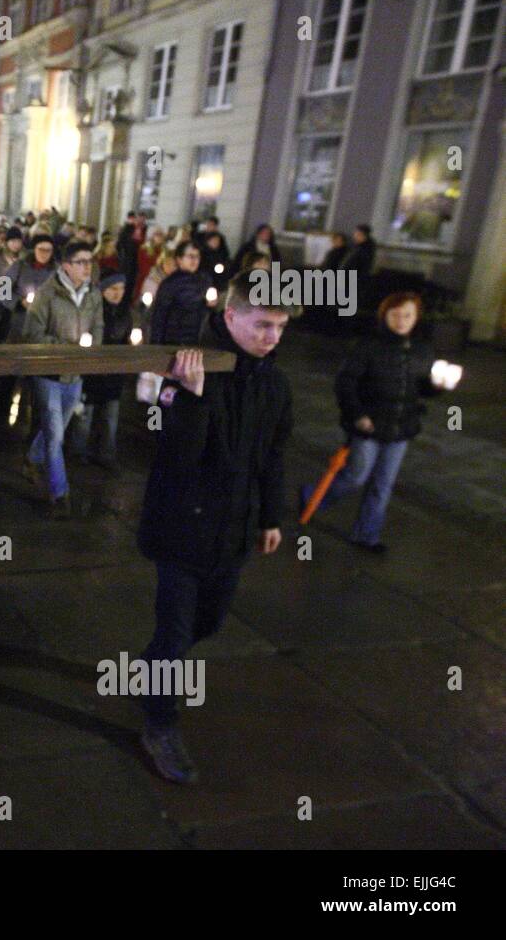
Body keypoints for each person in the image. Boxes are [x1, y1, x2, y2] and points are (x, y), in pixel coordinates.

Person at [136, 271, 292, 784]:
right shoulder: (189, 367)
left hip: (235, 531)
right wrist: (192, 396)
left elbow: (273, 454)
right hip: (182, 528)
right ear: (230, 316)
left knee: (209, 624)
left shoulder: (273, 381)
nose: (272, 337)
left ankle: (156, 669)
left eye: (280, 327)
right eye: (263, 325)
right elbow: (171, 457)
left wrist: (270, 515)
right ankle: (159, 723)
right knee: (175, 633)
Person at [304, 292, 449, 553]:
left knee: (383, 484)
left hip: (401, 427)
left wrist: (438, 385)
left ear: (416, 318)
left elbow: (421, 389)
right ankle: (312, 497)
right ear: (385, 316)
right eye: (396, 314)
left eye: (408, 315)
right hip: (368, 425)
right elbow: (345, 382)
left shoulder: (422, 350)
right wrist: (358, 415)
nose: (402, 320)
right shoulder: (369, 346)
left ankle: (366, 535)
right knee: (356, 476)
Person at [20, 242, 103, 518]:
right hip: (50, 373)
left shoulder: (93, 294)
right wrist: (68, 346)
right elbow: (32, 334)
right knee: (55, 434)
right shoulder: (48, 293)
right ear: (66, 265)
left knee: (56, 427)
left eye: (89, 261)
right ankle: (59, 494)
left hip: (75, 373)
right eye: (81, 262)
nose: (87, 267)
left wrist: (92, 347)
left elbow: (98, 326)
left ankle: (32, 459)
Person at [73, 274, 134, 471]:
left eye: (121, 289)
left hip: (114, 372)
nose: (118, 293)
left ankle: (106, 454)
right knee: (85, 415)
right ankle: (78, 452)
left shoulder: (125, 313)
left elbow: (127, 339)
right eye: (113, 289)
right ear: (103, 290)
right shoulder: (92, 310)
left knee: (110, 416)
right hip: (92, 372)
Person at [148, 240, 213, 346]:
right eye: (190, 256)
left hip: (197, 339)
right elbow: (159, 316)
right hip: (175, 340)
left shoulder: (204, 280)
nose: (194, 260)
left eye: (197, 257)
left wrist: (210, 305)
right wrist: (156, 344)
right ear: (179, 259)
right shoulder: (170, 283)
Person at [0, 233, 57, 343]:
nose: (44, 253)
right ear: (34, 249)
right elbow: (2, 288)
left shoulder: (57, 271)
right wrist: (18, 302)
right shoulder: (20, 265)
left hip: (47, 322)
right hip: (21, 319)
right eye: (41, 249)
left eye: (48, 250)